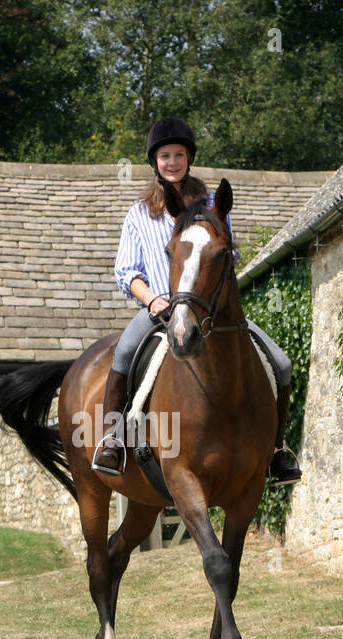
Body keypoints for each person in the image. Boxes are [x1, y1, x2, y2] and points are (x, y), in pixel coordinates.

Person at [95, 117, 301, 485]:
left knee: (282, 364)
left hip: (211, 311)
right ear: (154, 162)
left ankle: (275, 452)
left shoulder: (213, 208)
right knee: (124, 353)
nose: (172, 162)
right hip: (161, 309)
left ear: (188, 159)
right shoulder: (139, 214)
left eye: (178, 155)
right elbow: (127, 272)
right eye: (164, 155)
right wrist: (153, 299)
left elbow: (226, 260)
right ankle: (112, 440)